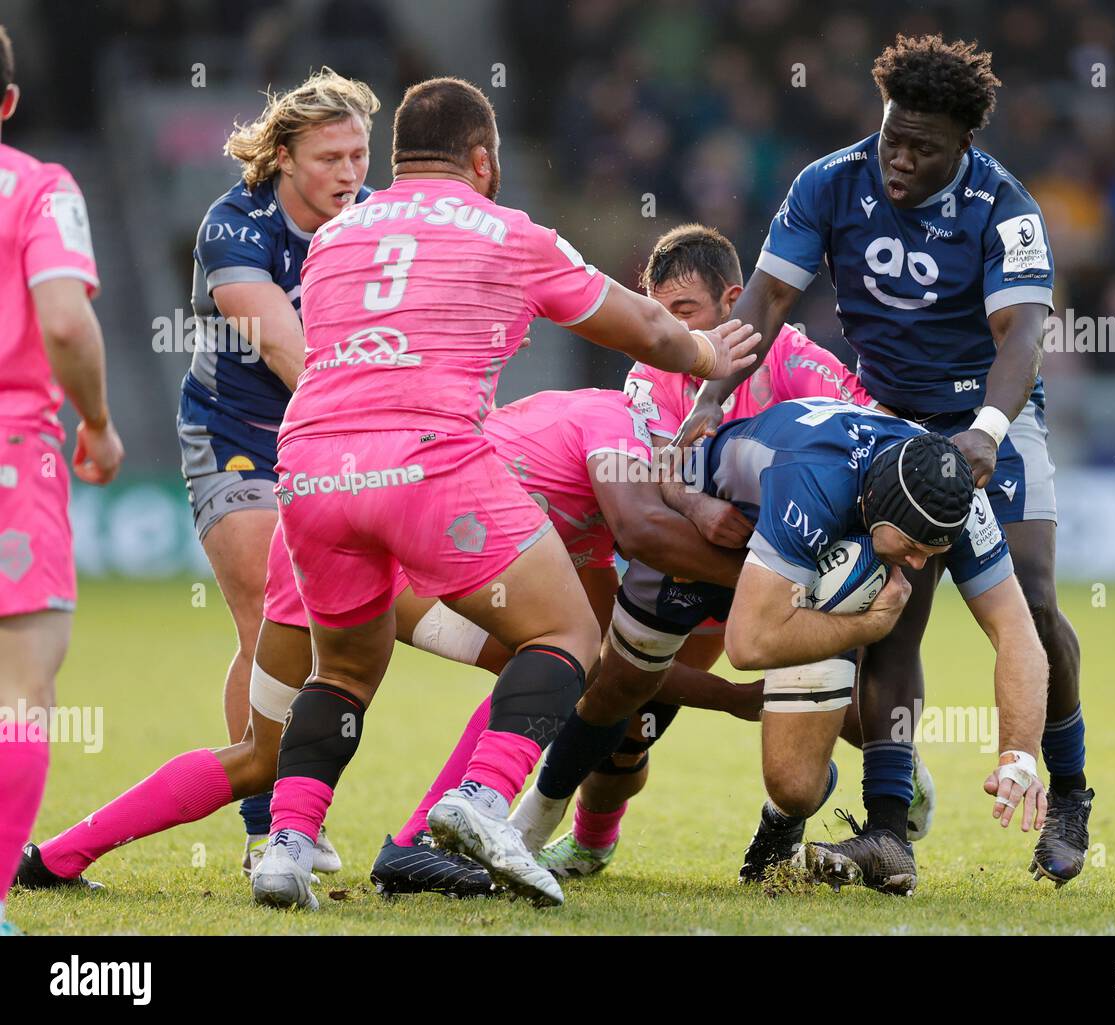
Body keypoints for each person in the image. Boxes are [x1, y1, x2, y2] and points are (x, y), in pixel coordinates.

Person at [251, 76, 759, 910]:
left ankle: (286, 846)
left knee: (340, 674)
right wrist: (709, 357)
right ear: (483, 161)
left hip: (310, 466)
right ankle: (482, 801)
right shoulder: (509, 231)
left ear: (396, 159)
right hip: (429, 458)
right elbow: (646, 328)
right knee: (566, 633)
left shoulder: (337, 234)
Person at [16, 388, 746, 903]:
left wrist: (732, 695)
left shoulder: (584, 449)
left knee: (260, 754)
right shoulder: (617, 435)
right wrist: (750, 636)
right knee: (542, 659)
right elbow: (617, 624)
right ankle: (415, 841)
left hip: (316, 525)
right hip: (383, 545)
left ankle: (53, 859)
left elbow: (616, 664)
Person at [674, 34, 1093, 887]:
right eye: (892, 137)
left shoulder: (1005, 208)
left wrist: (982, 429)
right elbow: (767, 298)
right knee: (895, 611)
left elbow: (1023, 339)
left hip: (993, 416)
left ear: (963, 145)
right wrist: (714, 389)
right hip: (889, 419)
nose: (898, 159)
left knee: (1036, 600)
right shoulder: (831, 180)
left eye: (922, 149)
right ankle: (890, 830)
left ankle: (1071, 787)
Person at [512, 397, 1048, 894]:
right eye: (910, 549)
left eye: (932, 552)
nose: (916, 565)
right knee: (617, 687)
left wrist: (1018, 754)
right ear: (872, 509)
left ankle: (803, 807)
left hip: (799, 568)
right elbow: (748, 644)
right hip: (710, 537)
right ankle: (527, 826)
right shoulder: (814, 481)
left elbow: (1016, 630)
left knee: (794, 786)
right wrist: (865, 627)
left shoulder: (958, 495)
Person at [179, 68, 378, 875]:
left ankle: (296, 806)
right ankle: (268, 822)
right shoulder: (235, 225)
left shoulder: (370, 220)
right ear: (285, 158)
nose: (350, 173)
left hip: (331, 439)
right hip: (236, 435)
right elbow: (288, 350)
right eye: (330, 156)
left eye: (361, 155)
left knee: (333, 642)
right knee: (269, 619)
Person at [0, 24, 123, 936]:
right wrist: (98, 424)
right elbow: (68, 326)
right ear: (7, 102)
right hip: (13, 454)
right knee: (18, 694)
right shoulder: (38, 187)